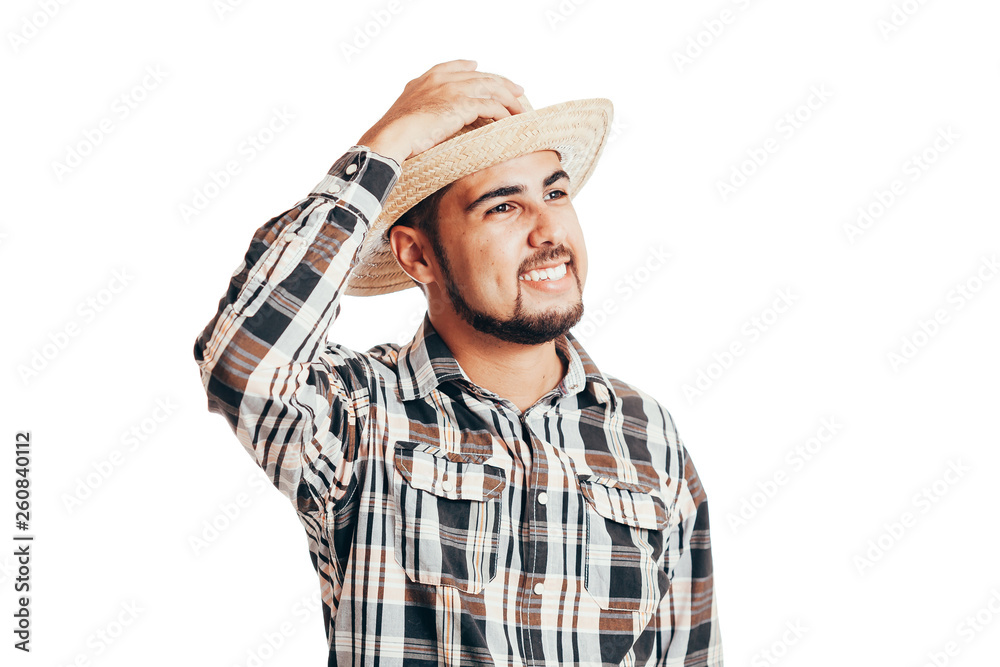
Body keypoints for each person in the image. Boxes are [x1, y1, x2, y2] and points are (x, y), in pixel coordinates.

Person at [194, 59, 723, 666]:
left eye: (554, 192)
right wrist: (386, 143)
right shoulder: (358, 412)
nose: (548, 228)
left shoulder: (646, 433)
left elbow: (691, 654)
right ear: (418, 255)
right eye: (502, 207)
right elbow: (242, 358)